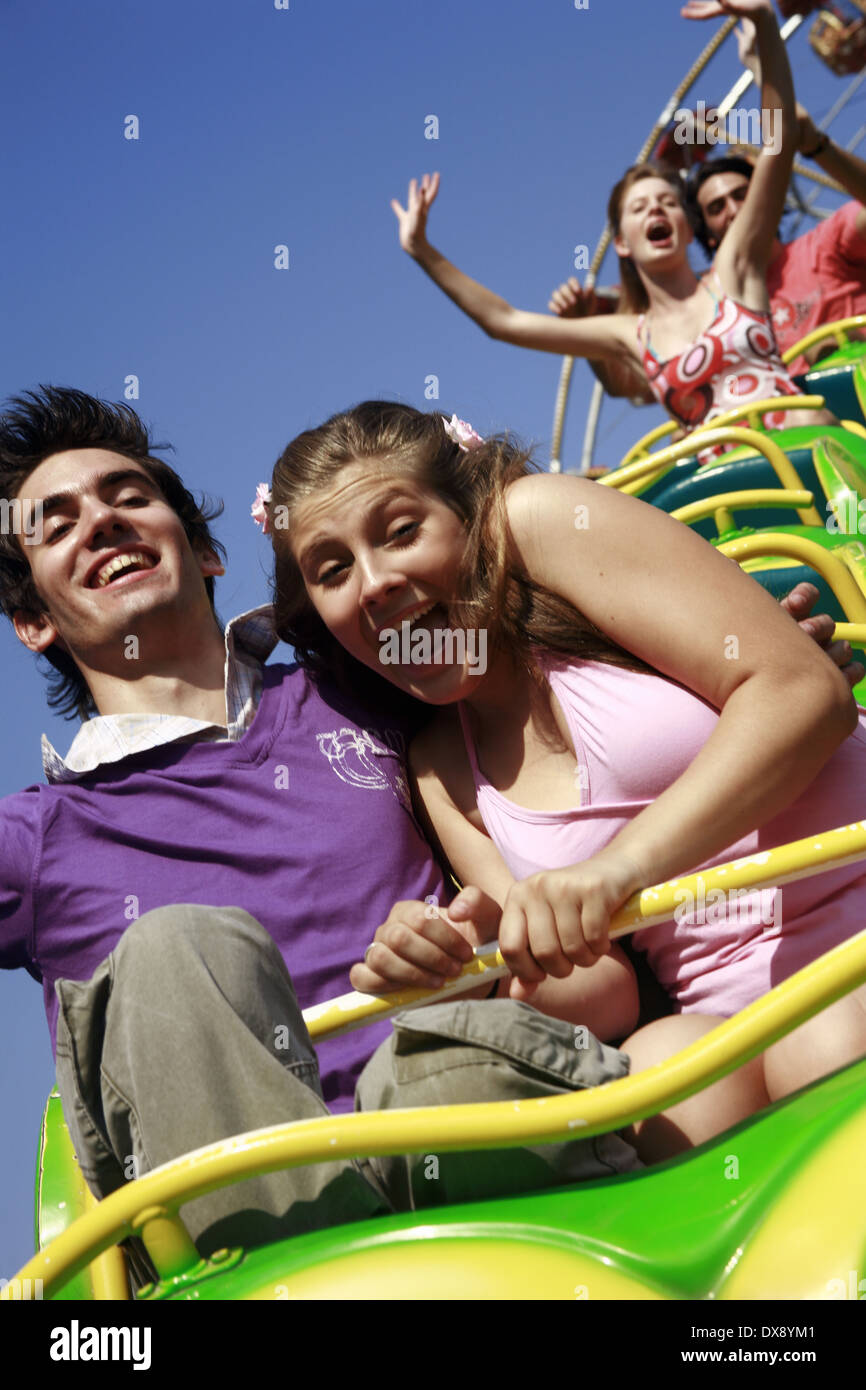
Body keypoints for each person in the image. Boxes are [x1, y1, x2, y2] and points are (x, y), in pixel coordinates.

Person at [0, 386, 650, 1265]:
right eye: (56, 523)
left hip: (460, 1123)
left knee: (433, 1072)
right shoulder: (37, 839)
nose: (103, 524)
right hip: (250, 1222)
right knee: (172, 948)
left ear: (208, 551)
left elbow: (561, 667)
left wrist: (719, 667)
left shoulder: (366, 675)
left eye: (128, 498)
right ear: (32, 619)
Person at [267, 398, 866, 1162]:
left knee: (827, 1043)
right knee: (661, 1087)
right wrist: (483, 956)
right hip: (726, 1010)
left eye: (401, 531)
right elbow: (604, 990)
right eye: (333, 569)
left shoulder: (537, 521)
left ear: (469, 513)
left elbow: (804, 694)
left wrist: (618, 867)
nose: (376, 582)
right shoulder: (440, 770)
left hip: (852, 925)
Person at [392, 0, 834, 446]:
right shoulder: (629, 335)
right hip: (735, 494)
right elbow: (503, 321)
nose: (657, 211)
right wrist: (423, 252)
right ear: (622, 243)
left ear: (686, 223)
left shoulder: (734, 270)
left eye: (668, 202)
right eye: (640, 209)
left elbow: (777, 144)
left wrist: (763, 22)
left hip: (809, 456)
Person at [683, 21, 866, 374]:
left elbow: (786, 125)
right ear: (706, 233)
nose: (736, 210)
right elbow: (630, 377)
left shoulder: (826, 245)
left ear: (768, 197)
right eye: (717, 208)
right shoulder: (715, 312)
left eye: (742, 195)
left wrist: (818, 147)